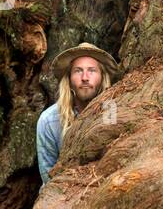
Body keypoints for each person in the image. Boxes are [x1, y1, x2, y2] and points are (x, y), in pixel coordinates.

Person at [36, 41, 121, 185]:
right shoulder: (49, 120)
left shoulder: (111, 111)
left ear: (102, 77)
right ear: (69, 79)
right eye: (78, 71)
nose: (85, 77)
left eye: (92, 70)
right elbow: (47, 175)